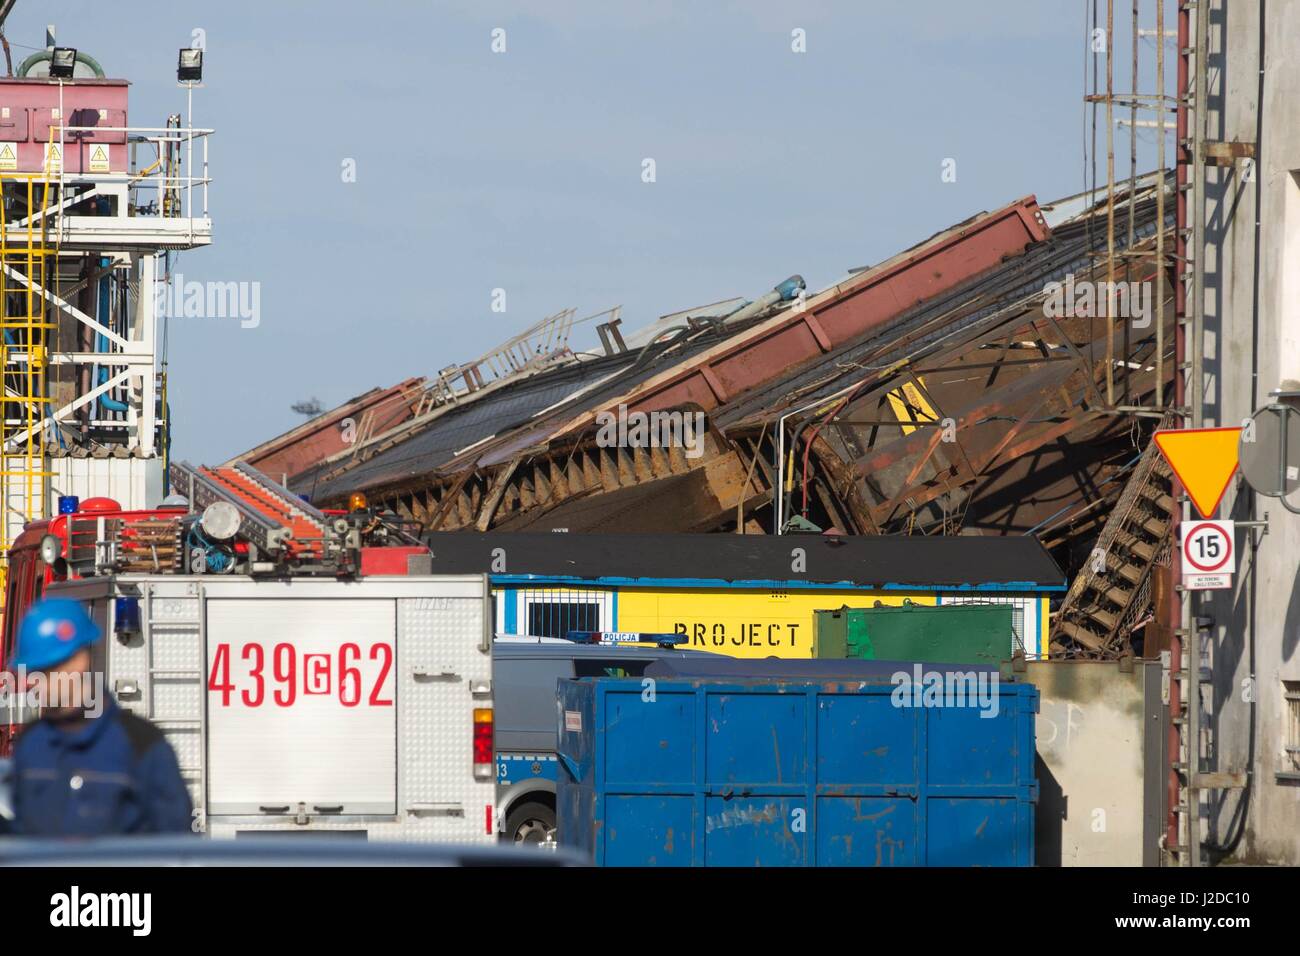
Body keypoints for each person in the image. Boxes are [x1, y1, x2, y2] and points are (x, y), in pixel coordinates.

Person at [9, 597, 193, 836]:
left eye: (42, 670)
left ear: (79, 661)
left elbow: (179, 849)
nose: (28, 681)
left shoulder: (143, 746)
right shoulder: (31, 744)